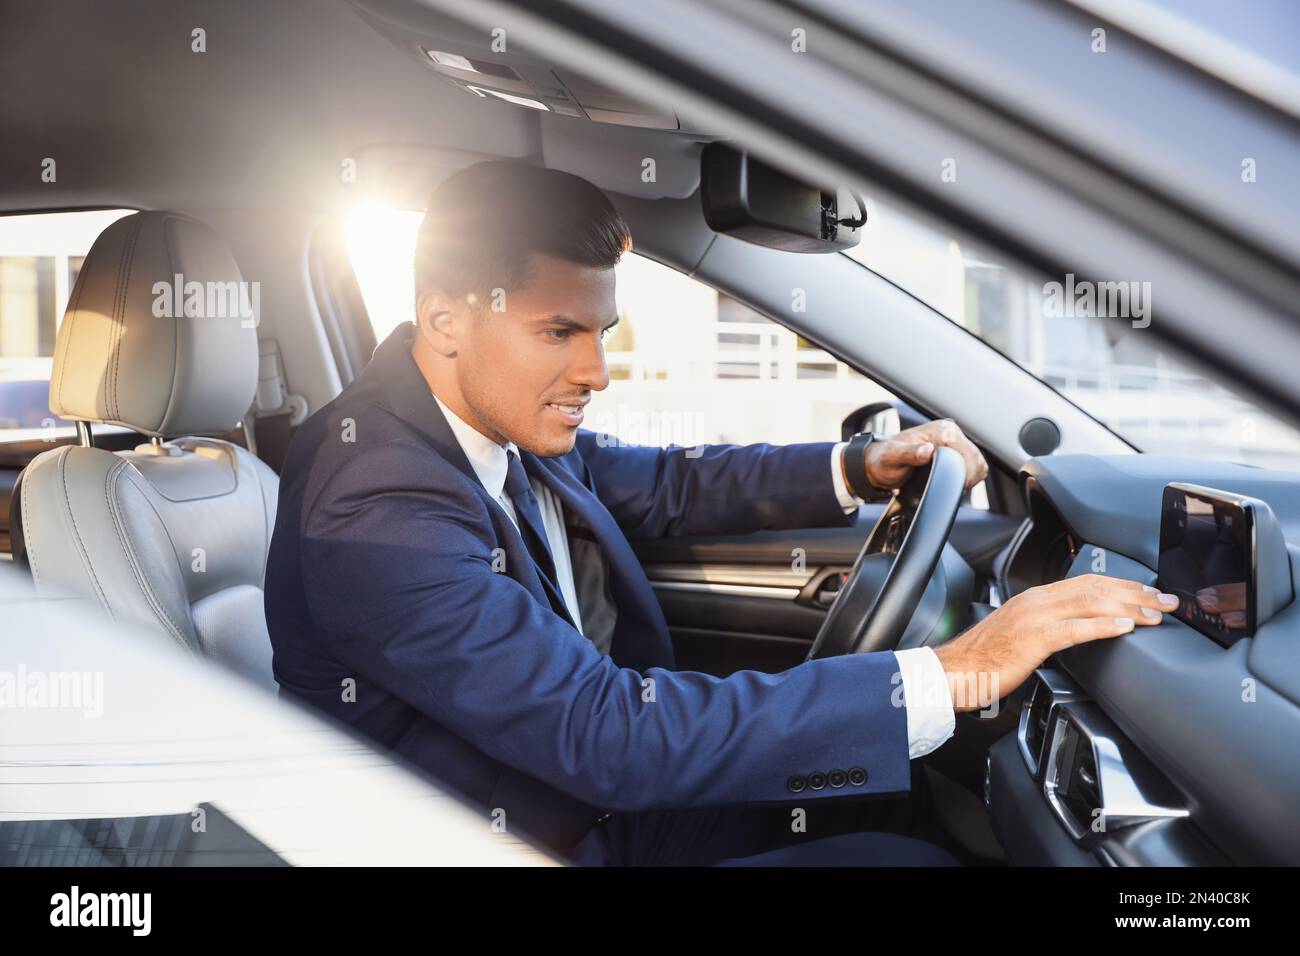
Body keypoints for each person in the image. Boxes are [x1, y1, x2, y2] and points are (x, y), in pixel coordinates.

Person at [264, 160, 1178, 865]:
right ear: (446, 320)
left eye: (601, 334)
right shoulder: (374, 497)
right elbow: (605, 734)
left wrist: (858, 466)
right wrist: (959, 672)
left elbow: (664, 483)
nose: (596, 372)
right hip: (533, 836)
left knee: (883, 795)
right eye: (559, 333)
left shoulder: (481, 422)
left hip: (587, 802)